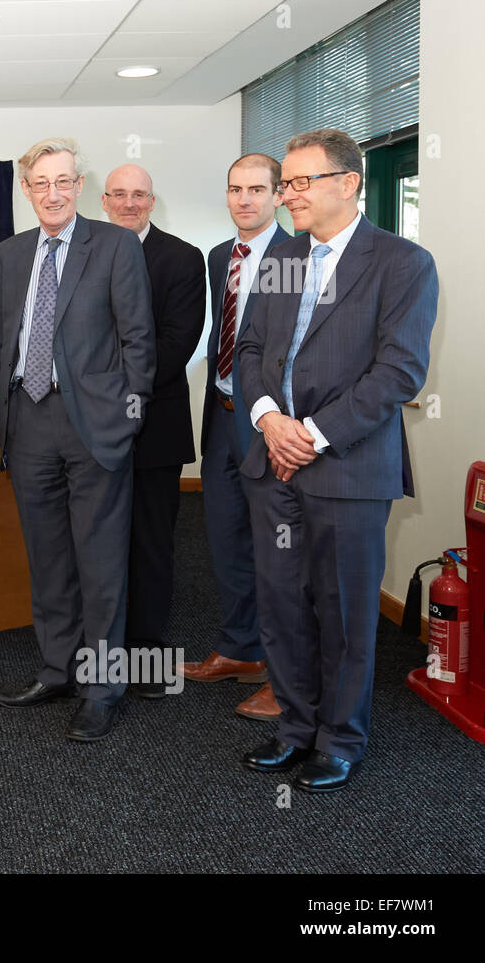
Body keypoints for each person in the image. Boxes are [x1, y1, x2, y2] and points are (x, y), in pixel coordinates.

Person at [239, 128, 437, 792]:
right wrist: (270, 420)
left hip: (348, 467)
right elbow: (248, 354)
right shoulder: (280, 258)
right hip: (274, 464)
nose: (287, 195)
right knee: (283, 604)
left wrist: (312, 434)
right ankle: (296, 728)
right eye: (286, 183)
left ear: (348, 183)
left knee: (346, 611)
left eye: (299, 182)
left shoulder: (402, 263)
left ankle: (340, 740)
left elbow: (398, 373)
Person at [0, 138, 155, 741]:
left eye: (63, 181)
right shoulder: (9, 255)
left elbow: (140, 340)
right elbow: (4, 340)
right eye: (40, 183)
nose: (52, 193)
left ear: (79, 186)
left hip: (95, 426)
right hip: (28, 419)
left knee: (101, 561)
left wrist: (126, 417)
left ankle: (102, 686)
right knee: (49, 557)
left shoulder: (113, 245)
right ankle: (58, 667)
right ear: (26, 189)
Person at [186, 154, 292, 720]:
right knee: (224, 537)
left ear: (278, 195)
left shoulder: (296, 258)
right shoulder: (218, 256)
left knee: (277, 550)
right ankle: (239, 648)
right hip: (222, 411)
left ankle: (285, 677)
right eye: (235, 189)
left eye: (256, 189)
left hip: (270, 422)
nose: (244, 199)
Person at [101, 164, 205, 696]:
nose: (129, 203)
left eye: (138, 195)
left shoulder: (182, 259)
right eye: (119, 194)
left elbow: (177, 341)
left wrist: (112, 393)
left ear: (152, 201)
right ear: (103, 200)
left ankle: (143, 652)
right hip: (88, 429)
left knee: (150, 542)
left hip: (153, 426)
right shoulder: (83, 252)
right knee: (98, 541)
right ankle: (99, 645)